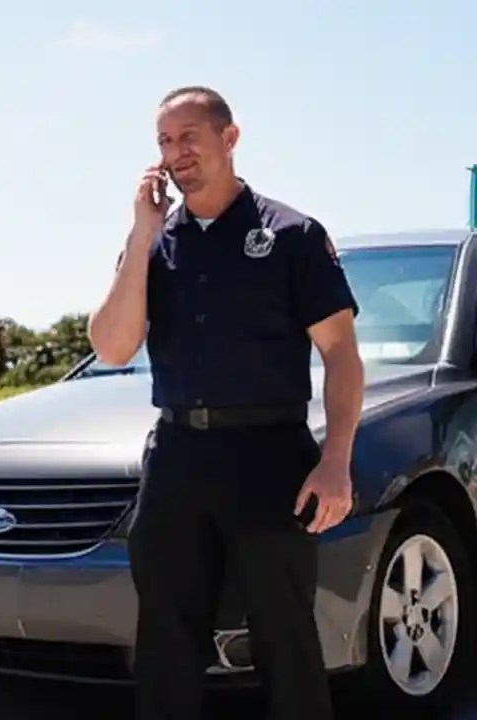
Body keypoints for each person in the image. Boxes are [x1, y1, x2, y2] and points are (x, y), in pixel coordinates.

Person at [87, 86, 365, 720]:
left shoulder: (291, 235)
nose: (176, 152)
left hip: (270, 456)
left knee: (285, 636)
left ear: (229, 138)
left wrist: (337, 459)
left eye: (189, 136)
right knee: (165, 638)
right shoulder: (153, 245)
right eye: (164, 141)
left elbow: (341, 354)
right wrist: (141, 233)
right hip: (179, 457)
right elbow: (112, 344)